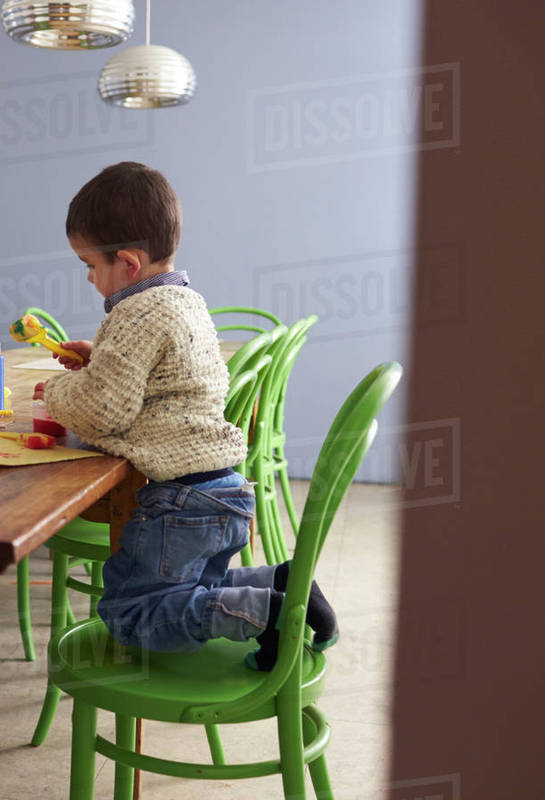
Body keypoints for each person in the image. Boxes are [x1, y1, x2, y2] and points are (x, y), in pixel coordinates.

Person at [34, 161, 336, 669]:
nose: (87, 276)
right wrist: (99, 359)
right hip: (220, 490)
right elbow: (159, 377)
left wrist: (57, 389)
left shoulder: (136, 312)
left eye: (89, 264)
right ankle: (284, 583)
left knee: (133, 609)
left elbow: (104, 410)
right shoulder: (183, 299)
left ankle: (268, 612)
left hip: (180, 503)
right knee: (200, 588)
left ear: (127, 263)